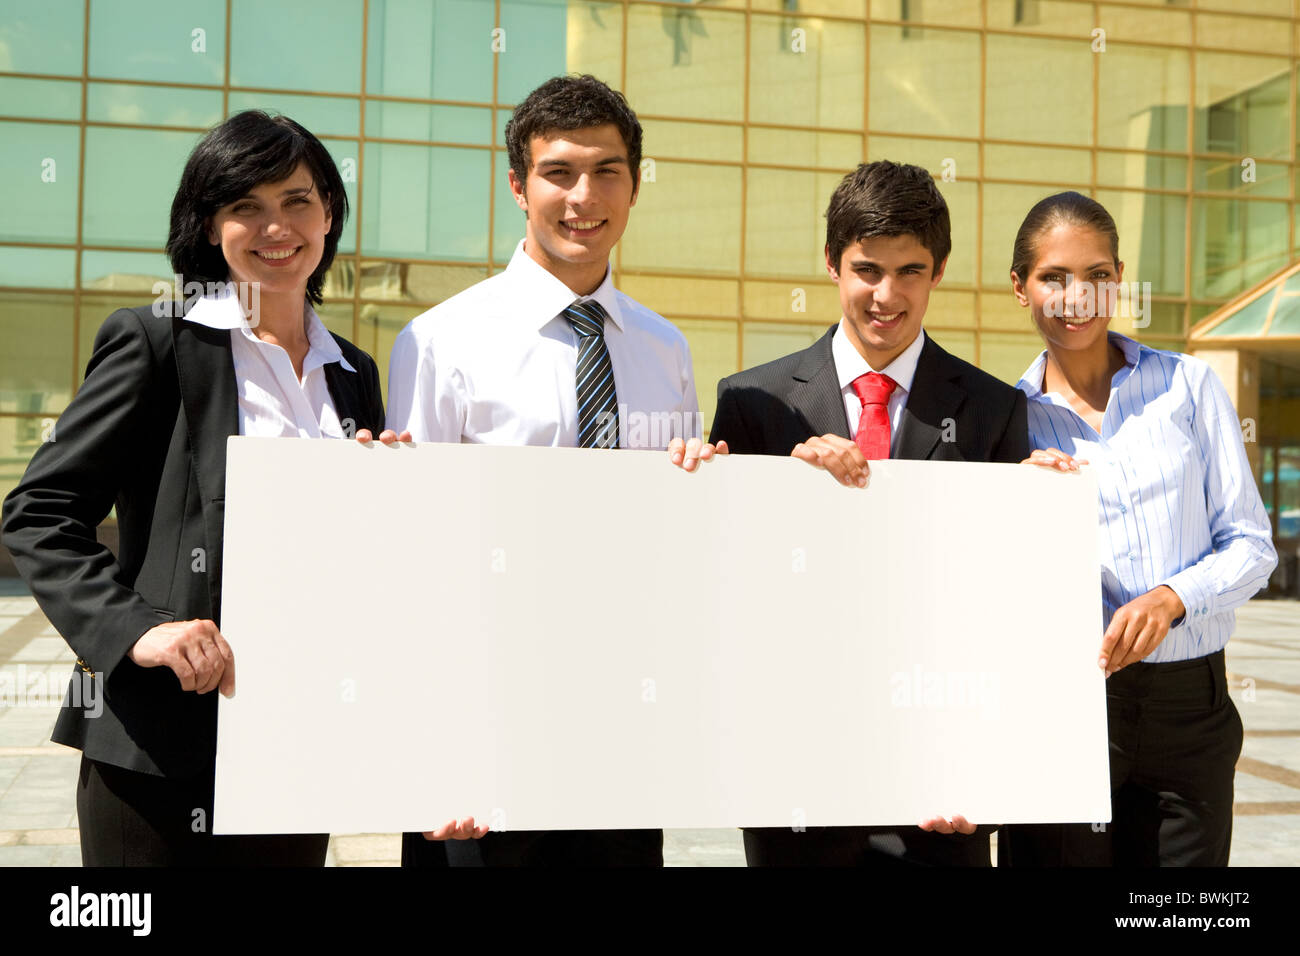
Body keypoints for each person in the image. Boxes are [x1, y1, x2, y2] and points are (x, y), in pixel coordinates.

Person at [1, 110, 402, 866]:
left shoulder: (354, 373)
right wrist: (137, 629)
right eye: (244, 205)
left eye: (297, 201)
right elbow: (39, 512)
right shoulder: (158, 341)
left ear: (328, 216)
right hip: (161, 751)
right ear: (208, 225)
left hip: (294, 740)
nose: (275, 226)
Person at [671, 160, 1029, 866]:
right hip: (796, 766)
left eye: (910, 272)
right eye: (867, 269)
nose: (886, 295)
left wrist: (985, 768)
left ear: (940, 270)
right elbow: (722, 584)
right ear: (831, 263)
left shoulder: (994, 408)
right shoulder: (752, 402)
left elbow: (1005, 606)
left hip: (939, 776)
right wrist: (774, 504)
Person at [386, 74, 699, 867]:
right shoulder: (440, 341)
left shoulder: (665, 349)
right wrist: (433, 749)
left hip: (624, 735)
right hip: (485, 731)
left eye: (607, 172)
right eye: (558, 173)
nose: (582, 196)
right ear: (520, 187)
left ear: (634, 187)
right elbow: (413, 551)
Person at [998, 192, 1277, 866]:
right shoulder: (1002, 419)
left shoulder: (1189, 387)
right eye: (1053, 278)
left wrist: (1172, 597)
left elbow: (1250, 543)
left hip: (1192, 713)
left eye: (1097, 276)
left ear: (1119, 279)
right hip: (1065, 707)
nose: (1077, 298)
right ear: (1020, 287)